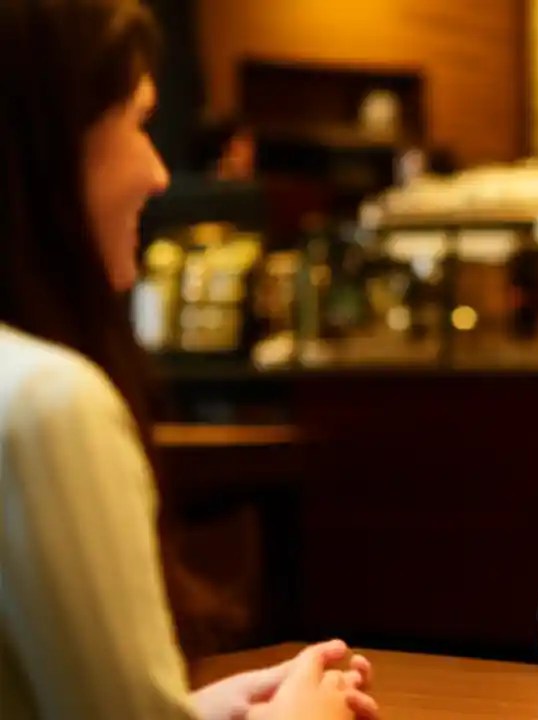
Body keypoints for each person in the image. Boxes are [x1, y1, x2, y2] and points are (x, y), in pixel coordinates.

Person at [0, 2, 377, 718]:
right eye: (139, 123)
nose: (158, 174)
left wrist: (184, 710)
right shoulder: (46, 402)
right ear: (44, 138)